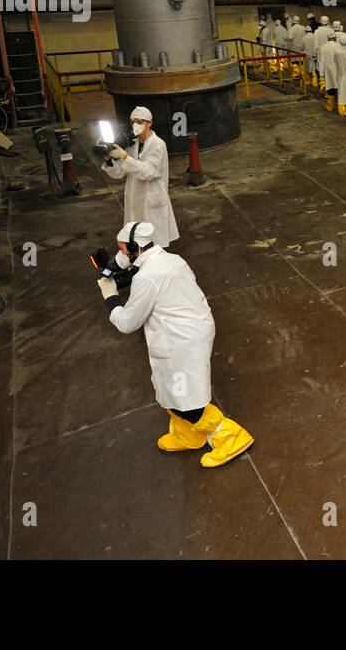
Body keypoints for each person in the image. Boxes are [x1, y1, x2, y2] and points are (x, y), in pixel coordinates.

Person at [97, 221, 253, 468]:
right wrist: (122, 264)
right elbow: (141, 269)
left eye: (123, 250)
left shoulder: (147, 277)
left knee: (185, 398)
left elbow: (127, 322)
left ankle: (231, 436)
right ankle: (188, 435)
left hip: (181, 341)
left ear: (136, 247)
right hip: (193, 329)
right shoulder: (172, 259)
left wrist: (111, 298)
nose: (121, 256)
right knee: (171, 390)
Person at [103, 106, 180, 246]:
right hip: (135, 201)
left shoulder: (158, 145)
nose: (135, 125)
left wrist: (125, 157)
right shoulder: (133, 145)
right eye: (133, 122)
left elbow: (149, 172)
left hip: (152, 201)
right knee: (137, 246)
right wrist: (109, 160)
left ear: (149, 122)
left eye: (139, 121)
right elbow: (120, 172)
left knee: (158, 245)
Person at [318, 31, 339, 111]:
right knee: (339, 87)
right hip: (338, 69)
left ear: (328, 38)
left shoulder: (324, 47)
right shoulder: (339, 46)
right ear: (335, 38)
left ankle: (330, 105)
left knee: (330, 87)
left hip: (328, 70)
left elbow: (322, 61)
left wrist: (321, 74)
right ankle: (341, 107)